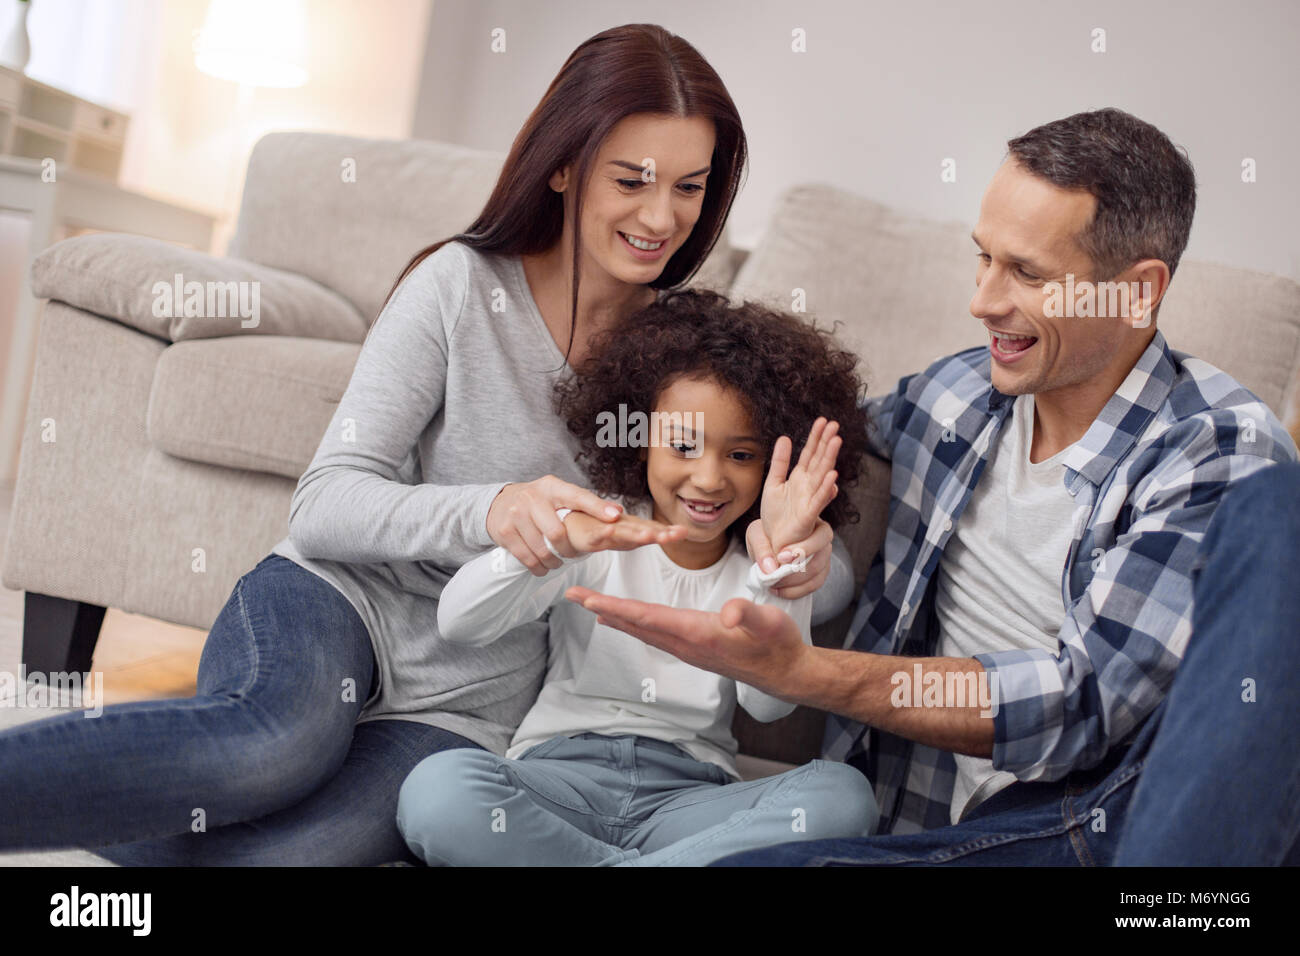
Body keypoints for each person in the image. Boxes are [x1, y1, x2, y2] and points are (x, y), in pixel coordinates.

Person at [0, 24, 845, 866]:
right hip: (343, 600)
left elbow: (756, 522)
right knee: (273, 748)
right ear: (561, 166)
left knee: (299, 856)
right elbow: (326, 500)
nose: (662, 218)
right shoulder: (461, 286)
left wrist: (806, 555)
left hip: (477, 695)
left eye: (690, 188)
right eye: (633, 180)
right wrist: (494, 510)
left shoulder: (687, 355)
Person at [570, 107, 1300, 865]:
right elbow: (767, 435)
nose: (982, 301)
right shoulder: (955, 397)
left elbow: (1082, 703)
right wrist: (775, 528)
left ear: (1137, 293)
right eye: (982, 258)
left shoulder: (1214, 451)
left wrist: (808, 673)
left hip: (1098, 827)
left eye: (1027, 273)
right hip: (940, 837)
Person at [395, 291, 875, 866]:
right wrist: (551, 542)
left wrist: (778, 564)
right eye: (682, 446)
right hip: (558, 783)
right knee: (436, 789)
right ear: (638, 437)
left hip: (691, 803)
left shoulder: (760, 567)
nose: (709, 478)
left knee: (843, 796)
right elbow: (458, 622)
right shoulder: (596, 531)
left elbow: (768, 708)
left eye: (741, 456)